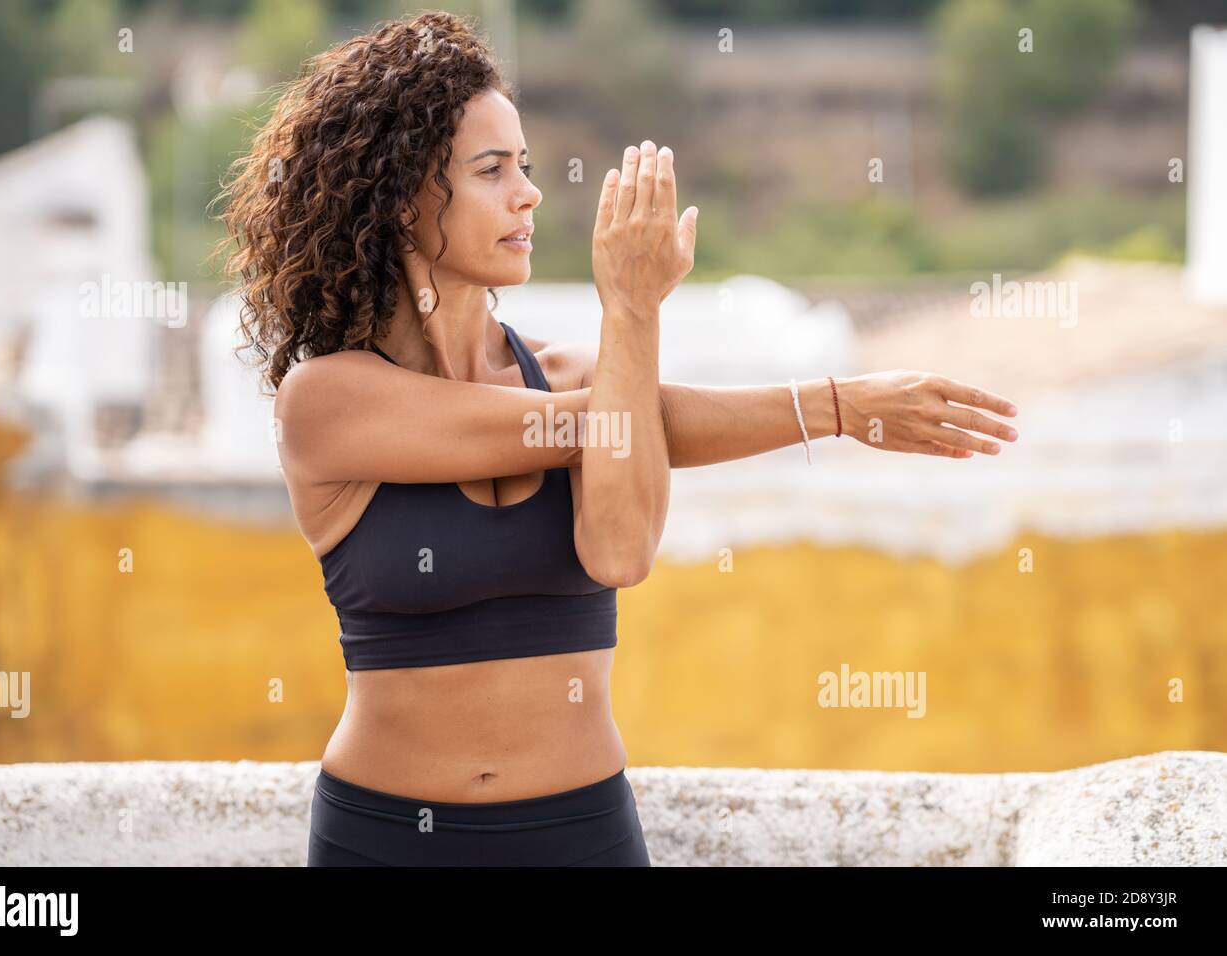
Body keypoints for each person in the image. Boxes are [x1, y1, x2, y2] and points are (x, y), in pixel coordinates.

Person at [215, 11, 1018, 867]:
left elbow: (621, 552)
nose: (528, 193)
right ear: (398, 197)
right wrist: (825, 403)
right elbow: (592, 428)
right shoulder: (328, 400)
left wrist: (650, 329)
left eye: (524, 167)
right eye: (492, 171)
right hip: (384, 839)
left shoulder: (577, 380)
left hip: (582, 835)